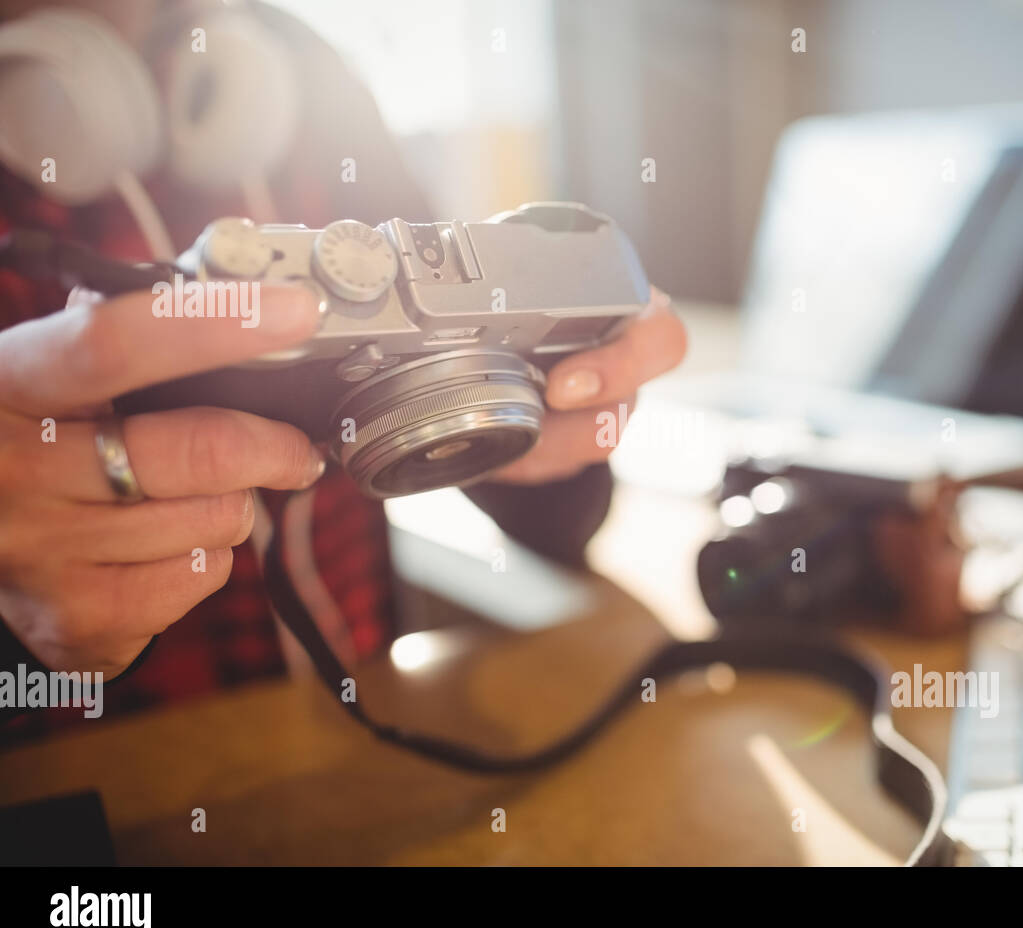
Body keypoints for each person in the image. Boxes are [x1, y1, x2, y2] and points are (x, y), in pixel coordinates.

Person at [0, 0, 686, 738]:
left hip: (373, 727)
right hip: (98, 767)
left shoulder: (302, 70)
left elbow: (550, 515)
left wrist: (569, 414)